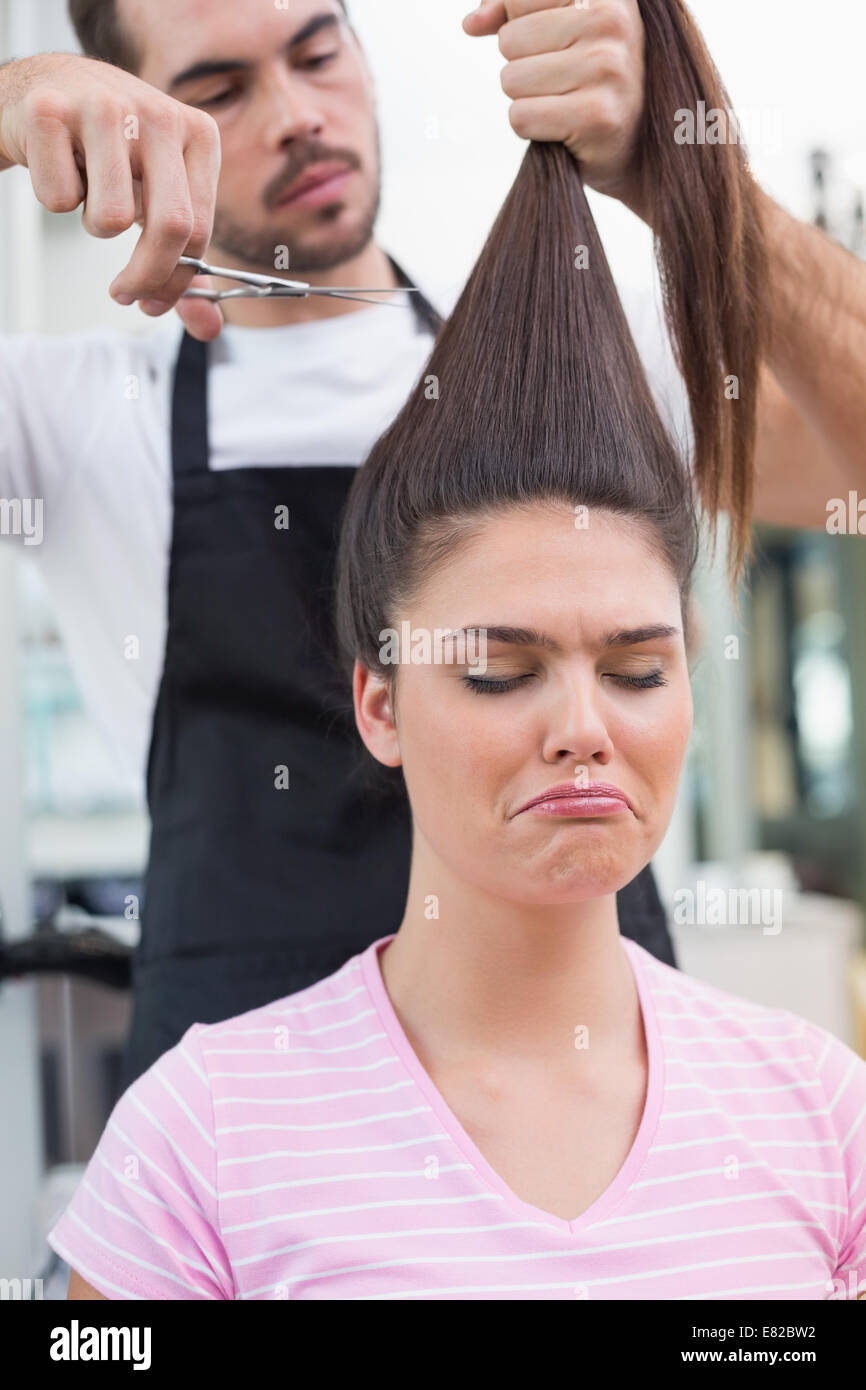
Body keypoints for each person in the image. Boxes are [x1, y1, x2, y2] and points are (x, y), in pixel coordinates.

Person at [48, 66, 866, 1301]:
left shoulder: (816, 1110)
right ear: (377, 701)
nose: (582, 730)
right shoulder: (200, 1145)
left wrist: (686, 172)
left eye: (639, 668)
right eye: (495, 670)